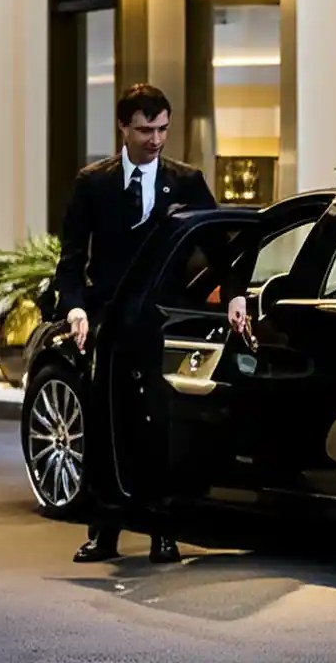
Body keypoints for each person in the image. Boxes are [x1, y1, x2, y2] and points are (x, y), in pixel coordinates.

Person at [54, 83, 224, 564]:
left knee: (158, 426)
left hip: (160, 320)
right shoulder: (93, 182)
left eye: (163, 129)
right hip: (107, 319)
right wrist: (75, 306)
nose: (155, 139)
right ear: (123, 128)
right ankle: (104, 532)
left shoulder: (186, 181)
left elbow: (218, 247)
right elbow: (71, 257)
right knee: (107, 423)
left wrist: (232, 296)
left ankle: (162, 532)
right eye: (146, 129)